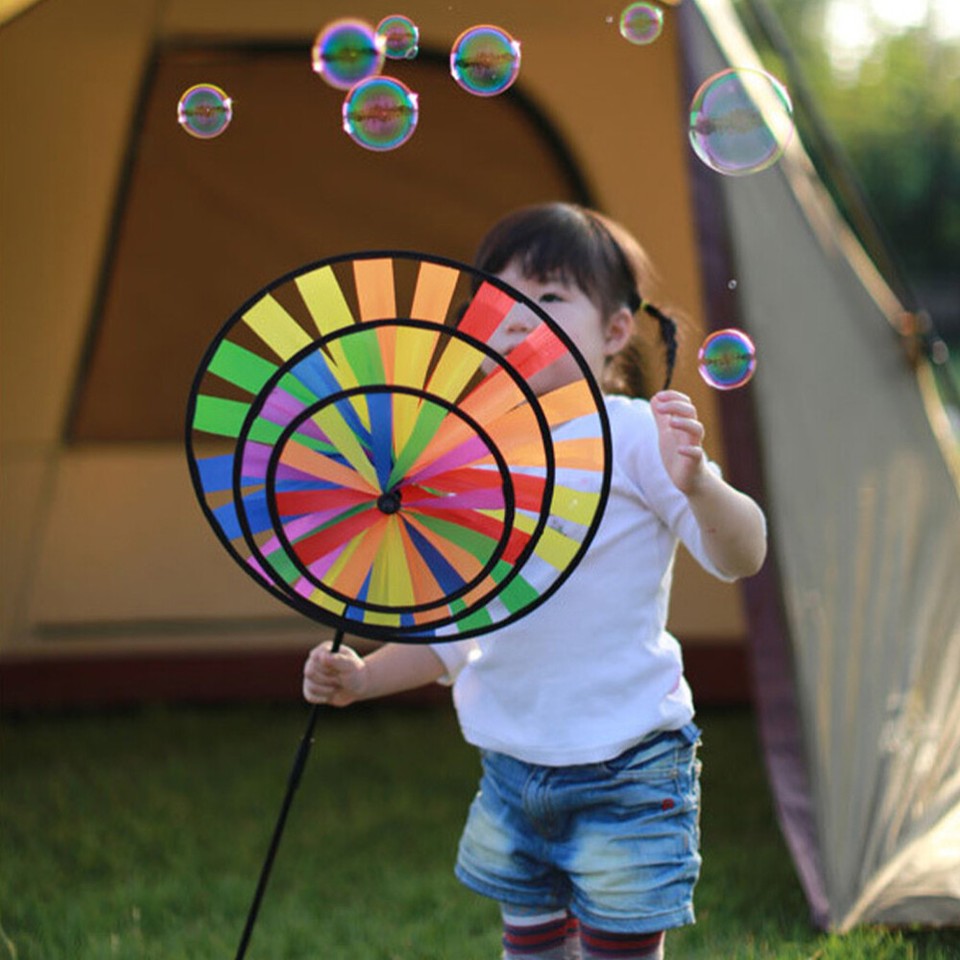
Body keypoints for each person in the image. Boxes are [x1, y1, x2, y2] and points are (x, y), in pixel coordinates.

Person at [303, 203, 767, 959]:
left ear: (615, 331)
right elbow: (456, 633)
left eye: (548, 297)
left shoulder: (636, 434)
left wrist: (701, 488)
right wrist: (361, 676)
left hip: (628, 764)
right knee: (531, 948)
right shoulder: (466, 458)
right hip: (515, 770)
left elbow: (741, 554)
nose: (515, 315)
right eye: (496, 296)